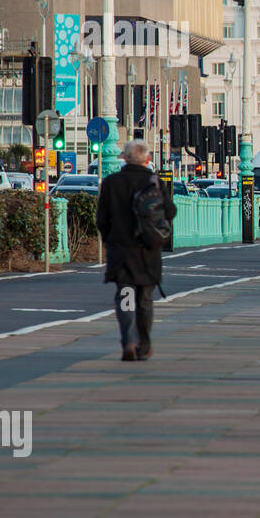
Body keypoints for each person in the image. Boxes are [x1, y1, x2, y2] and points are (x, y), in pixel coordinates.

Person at [96, 140, 176, 361]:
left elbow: (102, 219)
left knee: (125, 297)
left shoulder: (111, 182)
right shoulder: (154, 182)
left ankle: (128, 341)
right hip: (148, 251)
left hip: (121, 251)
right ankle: (144, 343)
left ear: (124, 157)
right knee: (145, 299)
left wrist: (110, 240)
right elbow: (170, 212)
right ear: (147, 159)